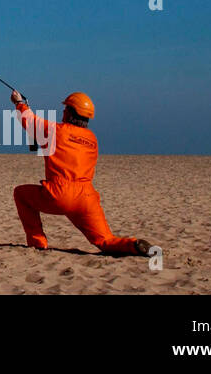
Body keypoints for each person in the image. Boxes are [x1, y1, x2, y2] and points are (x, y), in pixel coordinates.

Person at [11, 90, 151, 256]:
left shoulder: (56, 131)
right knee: (105, 240)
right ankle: (133, 245)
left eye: (66, 109)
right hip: (86, 198)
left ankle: (38, 243)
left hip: (60, 194)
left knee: (20, 193)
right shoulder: (92, 139)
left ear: (71, 112)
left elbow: (30, 121)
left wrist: (19, 103)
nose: (63, 112)